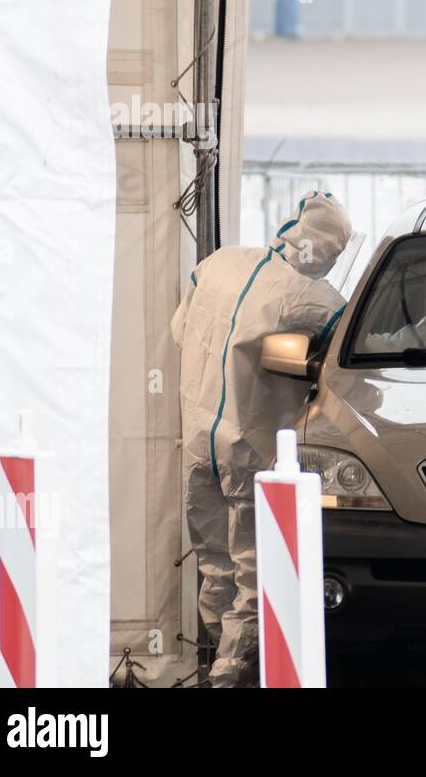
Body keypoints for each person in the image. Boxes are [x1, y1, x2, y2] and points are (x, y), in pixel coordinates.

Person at [170, 191, 352, 687]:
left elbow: (178, 329)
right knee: (255, 569)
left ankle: (220, 662)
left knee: (214, 565)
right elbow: (343, 366)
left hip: (196, 442)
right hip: (250, 452)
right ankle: (233, 674)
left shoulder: (218, 264)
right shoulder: (318, 300)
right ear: (329, 250)